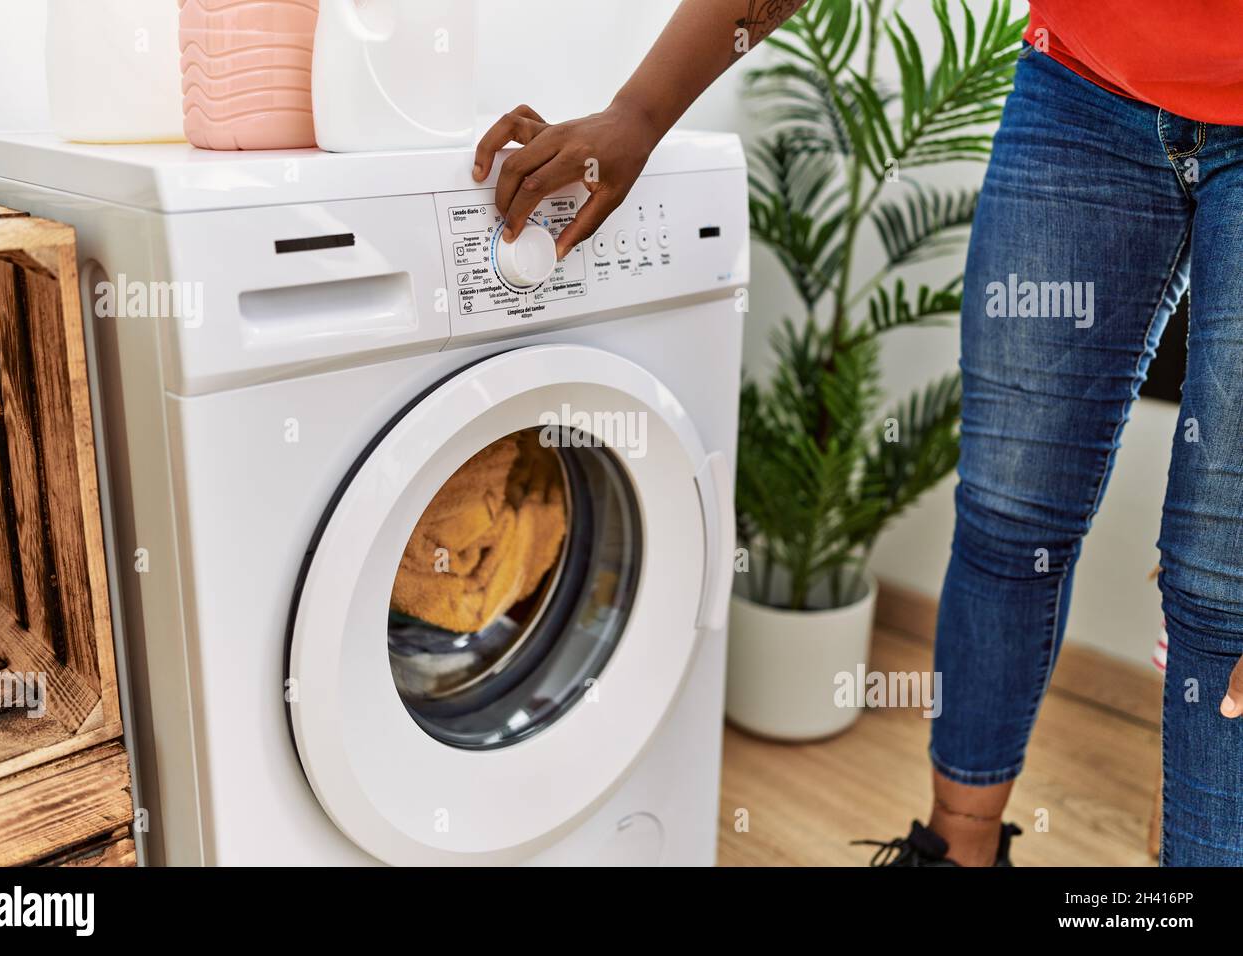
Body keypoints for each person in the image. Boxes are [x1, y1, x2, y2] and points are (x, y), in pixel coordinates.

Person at [472, 0, 1243, 868]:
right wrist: (639, 113)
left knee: (1227, 591)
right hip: (1085, 85)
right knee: (1006, 517)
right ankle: (956, 853)